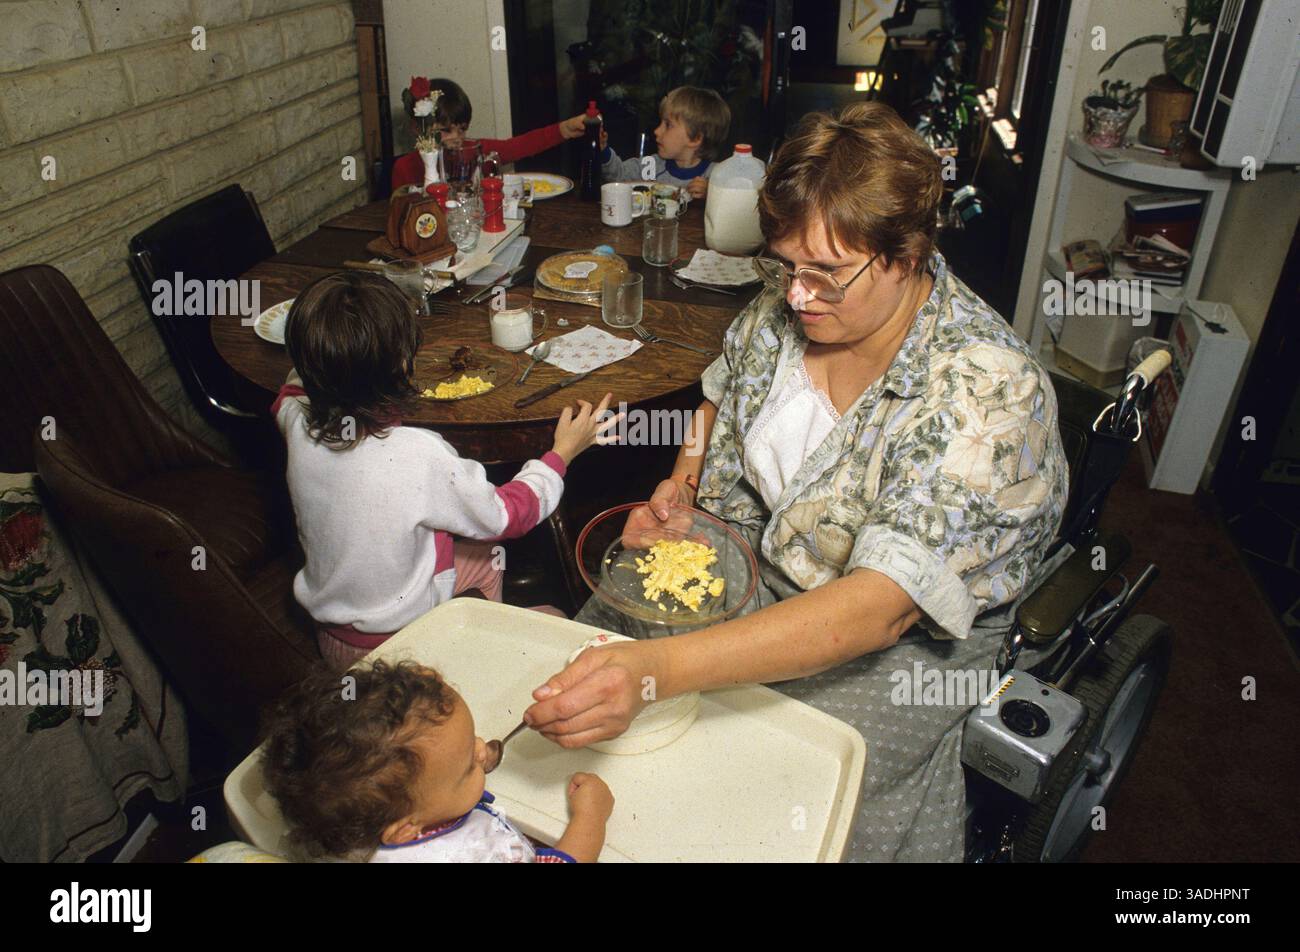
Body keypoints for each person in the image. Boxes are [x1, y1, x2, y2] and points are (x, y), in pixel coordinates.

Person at [522, 102, 1071, 862]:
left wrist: (660, 672)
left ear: (907, 255)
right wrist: (686, 485)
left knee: (775, 784)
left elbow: (876, 611)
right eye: (785, 267)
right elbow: (720, 394)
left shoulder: (988, 392)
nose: (796, 296)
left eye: (826, 275)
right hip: (754, 551)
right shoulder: (789, 309)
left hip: (894, 639)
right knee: (599, 689)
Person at [275, 271, 619, 670]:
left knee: (485, 558)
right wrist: (562, 454)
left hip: (334, 639)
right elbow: (508, 514)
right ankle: (476, 663)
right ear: (403, 363)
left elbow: (291, 389)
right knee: (536, 596)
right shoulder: (419, 455)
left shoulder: (294, 420)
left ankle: (479, 642)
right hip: (401, 655)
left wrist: (324, 361)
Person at [261, 660, 615, 862]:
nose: (482, 749)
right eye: (467, 769)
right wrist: (591, 816)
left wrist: (459, 773)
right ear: (406, 829)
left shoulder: (393, 812)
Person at [391, 77, 590, 191]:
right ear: (417, 128)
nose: (456, 138)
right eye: (445, 130)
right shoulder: (405, 168)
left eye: (462, 128)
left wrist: (564, 129)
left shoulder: (473, 150)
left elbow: (518, 146)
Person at [600, 86, 731, 199]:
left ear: (695, 138)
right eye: (660, 123)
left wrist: (713, 194)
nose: (657, 131)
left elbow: (741, 208)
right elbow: (618, 177)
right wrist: (603, 149)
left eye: (668, 125)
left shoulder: (717, 176)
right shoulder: (650, 167)